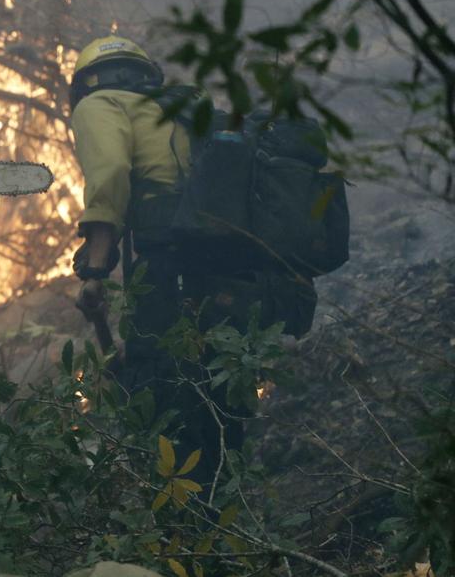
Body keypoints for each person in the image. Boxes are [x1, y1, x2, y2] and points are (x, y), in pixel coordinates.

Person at [68, 35, 318, 487]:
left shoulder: (100, 105)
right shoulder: (179, 109)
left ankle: (177, 526)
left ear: (87, 80)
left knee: (164, 389)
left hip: (167, 266)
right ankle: (220, 517)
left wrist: (95, 269)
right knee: (218, 396)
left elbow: (110, 175)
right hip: (223, 271)